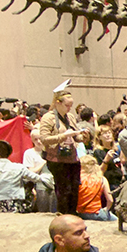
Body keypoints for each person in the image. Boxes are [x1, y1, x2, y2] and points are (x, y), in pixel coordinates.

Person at [35, 85, 90, 215]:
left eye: (71, 106)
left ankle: (73, 214)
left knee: (74, 189)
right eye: (67, 105)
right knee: (63, 190)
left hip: (72, 158)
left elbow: (76, 137)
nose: (69, 108)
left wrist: (83, 136)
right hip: (57, 159)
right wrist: (63, 136)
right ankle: (64, 215)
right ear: (58, 103)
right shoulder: (48, 118)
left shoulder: (70, 117)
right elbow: (44, 139)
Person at [77, 154, 117, 220]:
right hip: (97, 213)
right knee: (116, 220)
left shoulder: (78, 179)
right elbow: (110, 200)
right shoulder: (102, 179)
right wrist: (106, 209)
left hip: (81, 213)